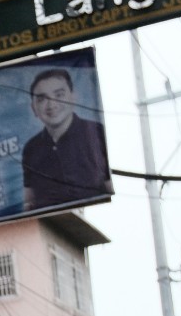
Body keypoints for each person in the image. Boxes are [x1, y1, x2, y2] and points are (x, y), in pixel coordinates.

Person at [20, 67, 112, 211]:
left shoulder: (93, 132)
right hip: (49, 226)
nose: (51, 105)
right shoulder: (31, 148)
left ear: (73, 97)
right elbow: (28, 203)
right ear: (34, 107)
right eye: (42, 99)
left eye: (59, 95)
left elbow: (109, 185)